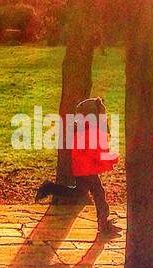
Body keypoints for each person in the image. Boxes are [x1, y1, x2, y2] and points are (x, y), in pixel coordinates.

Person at [35, 96, 120, 238]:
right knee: (99, 193)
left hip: (82, 168)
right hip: (86, 169)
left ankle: (49, 188)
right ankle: (103, 224)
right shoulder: (89, 131)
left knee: (79, 193)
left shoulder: (84, 129)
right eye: (101, 114)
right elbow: (96, 154)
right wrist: (113, 157)